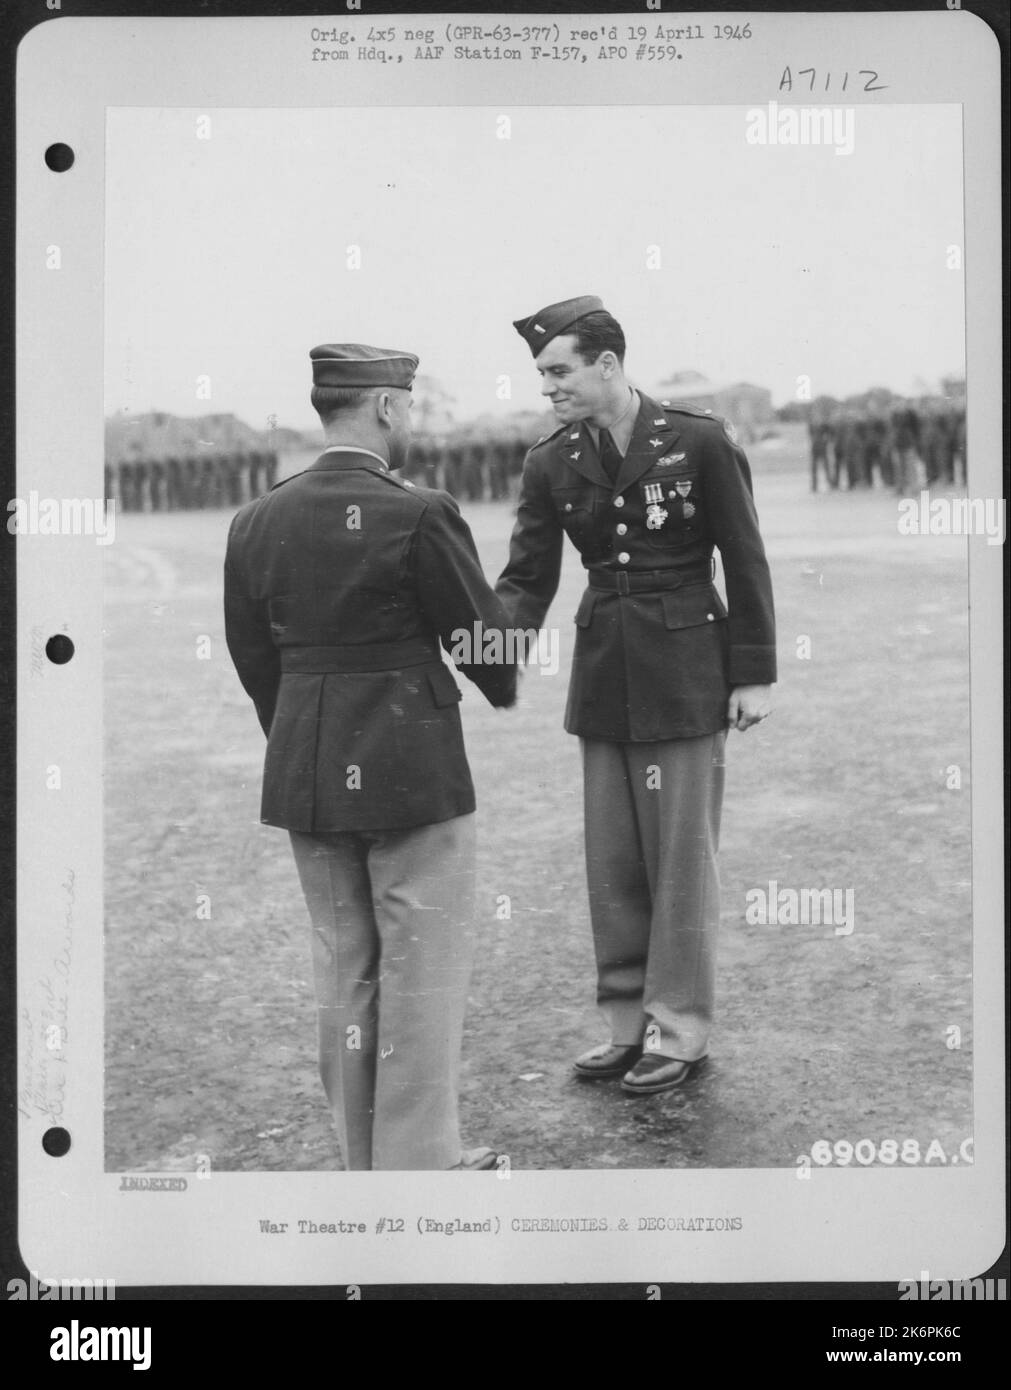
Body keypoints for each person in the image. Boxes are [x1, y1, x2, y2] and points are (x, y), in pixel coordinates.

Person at [224, 343, 518, 1169]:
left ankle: (365, 1161)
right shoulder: (418, 511)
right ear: (386, 407)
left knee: (342, 969)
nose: (410, 418)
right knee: (421, 971)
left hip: (307, 770)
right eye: (409, 405)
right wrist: (512, 615)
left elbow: (253, 658)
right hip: (412, 768)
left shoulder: (256, 519)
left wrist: (300, 737)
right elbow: (488, 654)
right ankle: (420, 1166)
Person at [495, 296, 777, 1096]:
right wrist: (487, 649)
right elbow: (526, 578)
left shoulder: (697, 441)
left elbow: (744, 557)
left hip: (686, 667)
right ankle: (625, 1023)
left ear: (607, 363)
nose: (546, 387)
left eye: (558, 370)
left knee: (679, 863)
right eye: (541, 373)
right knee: (613, 861)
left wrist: (753, 671)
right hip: (605, 670)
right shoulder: (550, 460)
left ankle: (678, 1029)